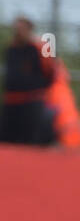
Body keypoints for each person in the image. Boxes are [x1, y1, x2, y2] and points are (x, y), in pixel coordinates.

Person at [1, 16, 56, 145]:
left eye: (21, 29)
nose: (17, 32)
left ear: (29, 29)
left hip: (32, 102)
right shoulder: (11, 49)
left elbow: (50, 72)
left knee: (31, 141)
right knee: (5, 140)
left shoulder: (39, 48)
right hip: (11, 101)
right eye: (15, 29)